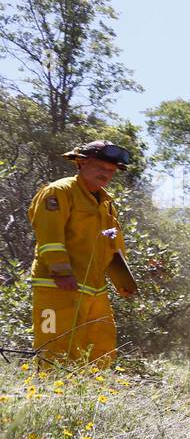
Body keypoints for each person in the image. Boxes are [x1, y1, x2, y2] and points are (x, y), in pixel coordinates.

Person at [27, 140, 138, 363]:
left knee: (101, 347)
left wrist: (122, 280)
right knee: (55, 343)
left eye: (110, 170)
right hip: (57, 286)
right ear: (81, 163)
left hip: (94, 289)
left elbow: (112, 245)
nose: (105, 173)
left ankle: (93, 392)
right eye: (100, 167)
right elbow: (49, 235)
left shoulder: (106, 202)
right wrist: (61, 272)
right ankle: (53, 393)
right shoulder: (59, 191)